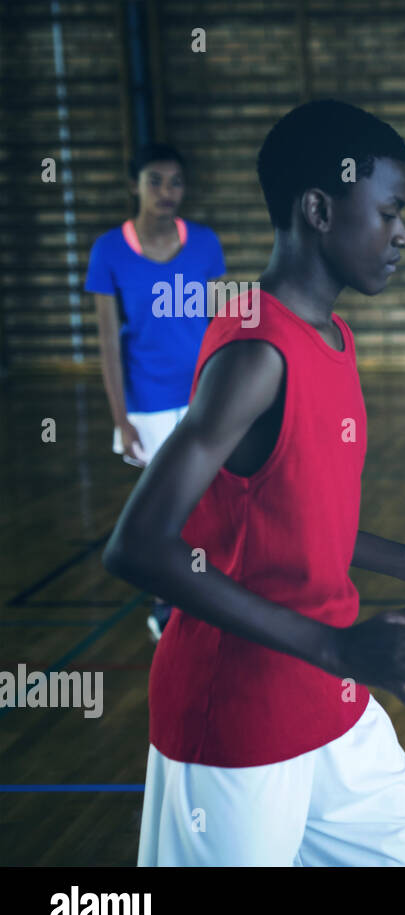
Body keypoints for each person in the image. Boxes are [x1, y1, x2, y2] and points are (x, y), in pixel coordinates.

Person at [102, 99, 405, 866]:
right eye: (390, 210)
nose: (403, 232)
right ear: (319, 208)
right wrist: (333, 648)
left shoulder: (329, 335)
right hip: (237, 718)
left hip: (335, 703)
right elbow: (136, 546)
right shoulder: (254, 354)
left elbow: (278, 513)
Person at [86, 143, 226, 641]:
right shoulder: (108, 250)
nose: (166, 192)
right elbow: (107, 341)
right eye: (155, 181)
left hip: (203, 396)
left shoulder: (206, 244)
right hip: (145, 401)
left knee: (208, 504)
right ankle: (166, 603)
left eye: (175, 182)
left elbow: (219, 325)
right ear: (135, 185)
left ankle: (202, 600)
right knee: (165, 509)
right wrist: (120, 419)